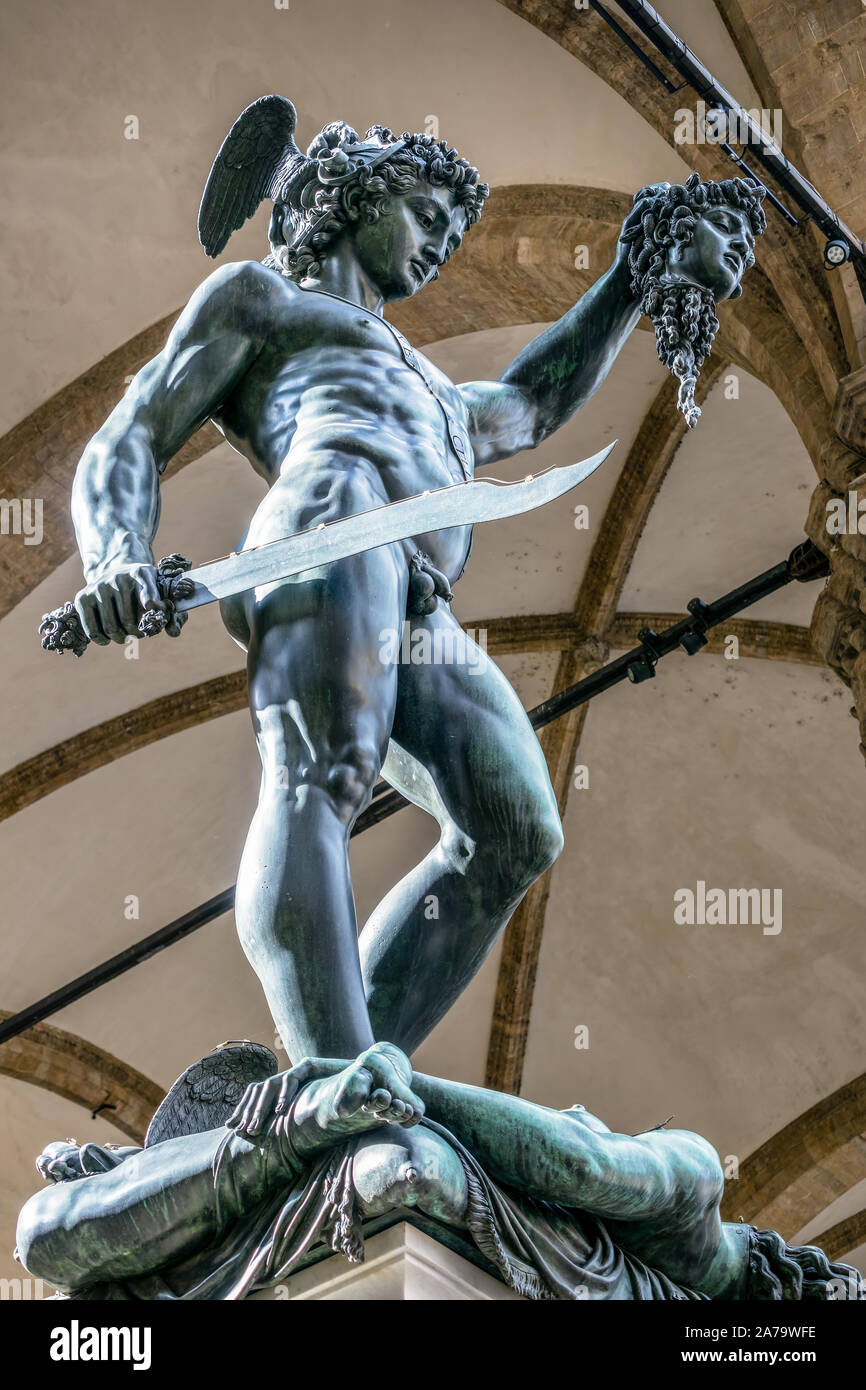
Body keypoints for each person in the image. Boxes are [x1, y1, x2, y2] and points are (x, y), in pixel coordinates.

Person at [68, 94, 764, 1062]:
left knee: (516, 830)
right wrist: (114, 558)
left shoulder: (438, 392)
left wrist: (637, 271)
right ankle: (331, 1074)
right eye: (426, 216)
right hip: (327, 525)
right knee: (323, 772)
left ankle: (340, 1072)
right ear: (353, 200)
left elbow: (528, 403)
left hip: (418, 593)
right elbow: (130, 435)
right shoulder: (262, 301)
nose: (440, 245)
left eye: (450, 231)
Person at [16, 1044, 858, 1302]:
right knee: (45, 1238)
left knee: (49, 1243)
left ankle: (287, 1133)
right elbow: (576, 1158)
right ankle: (296, 1127)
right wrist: (394, 1085)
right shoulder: (696, 1188)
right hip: (413, 1151)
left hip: (398, 1162)